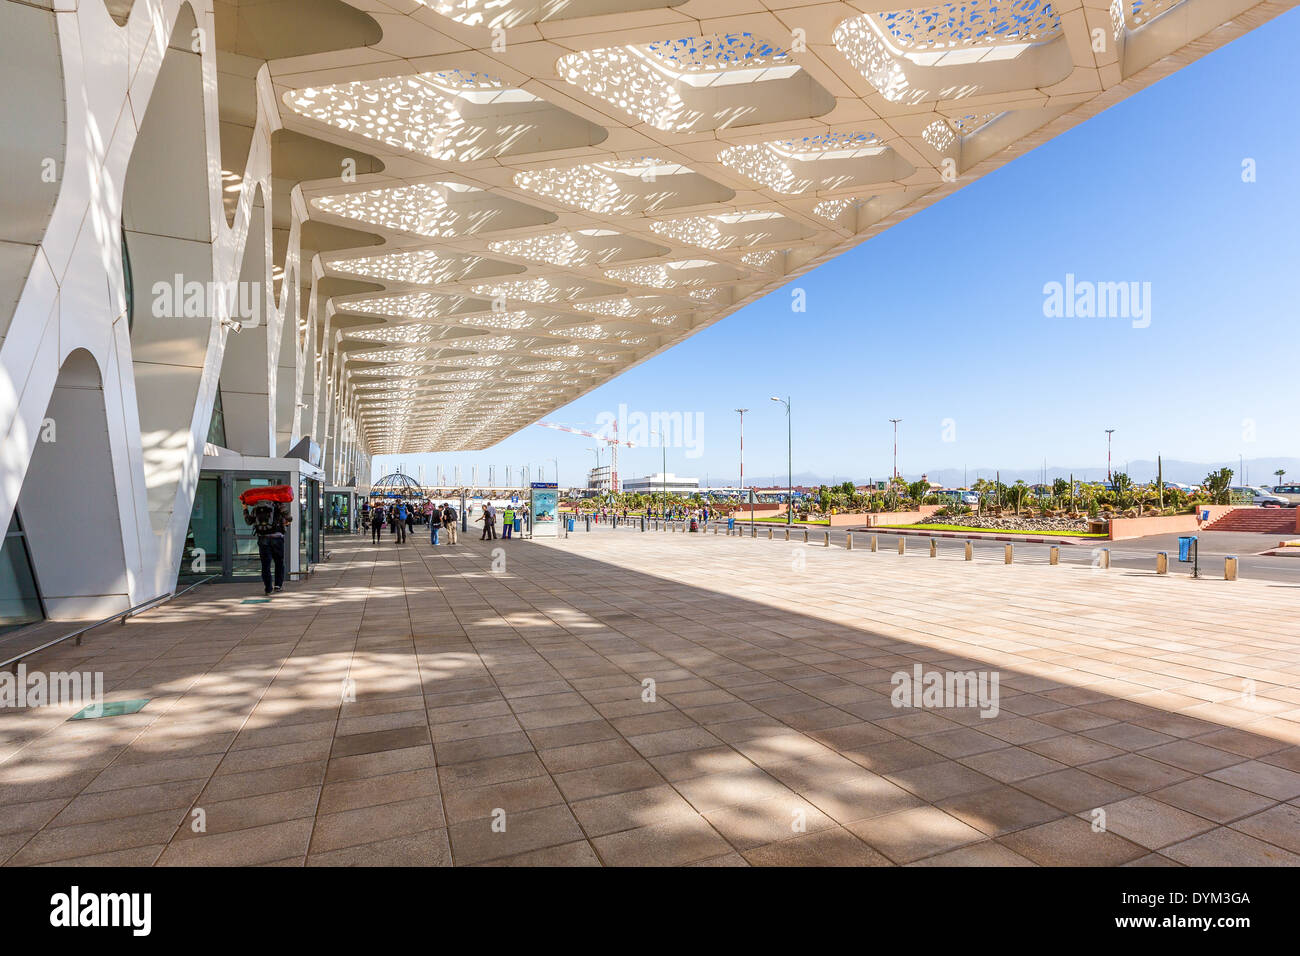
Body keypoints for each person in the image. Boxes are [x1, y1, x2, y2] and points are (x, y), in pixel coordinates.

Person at [243, 497, 292, 595]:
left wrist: (245, 509)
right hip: (277, 538)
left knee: (265, 565)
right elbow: (289, 518)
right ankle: (278, 585)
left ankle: (268, 588)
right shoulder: (279, 505)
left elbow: (249, 521)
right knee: (279, 562)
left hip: (263, 538)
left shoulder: (256, 508)